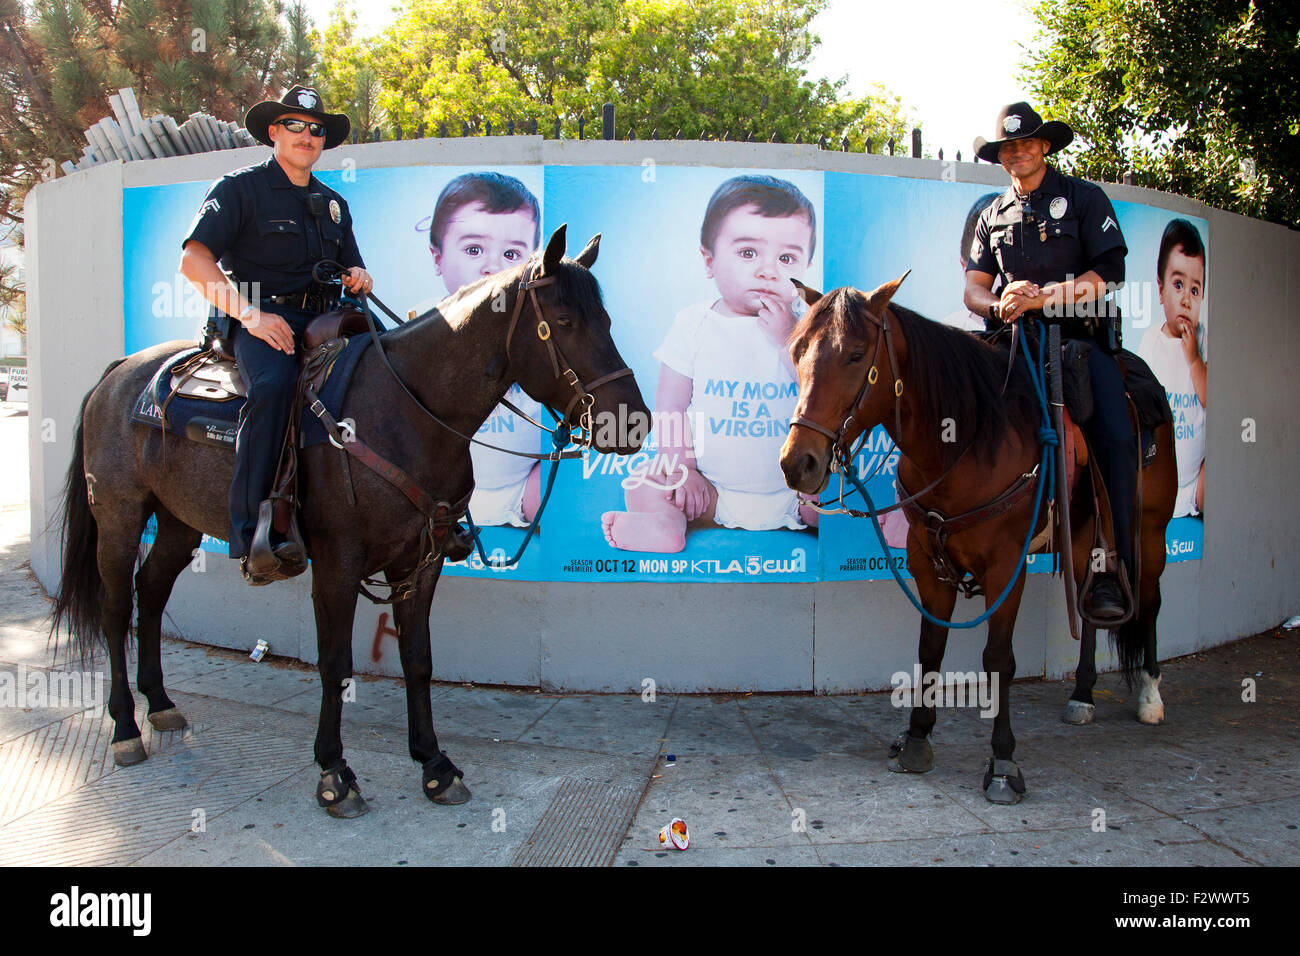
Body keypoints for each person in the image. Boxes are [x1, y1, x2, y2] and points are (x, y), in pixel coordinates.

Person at [178, 85, 373, 584]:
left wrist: (358, 275)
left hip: (327, 322)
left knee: (384, 377)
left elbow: (350, 262)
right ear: (273, 132)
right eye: (295, 126)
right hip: (261, 322)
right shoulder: (238, 189)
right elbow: (194, 261)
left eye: (316, 130)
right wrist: (251, 316)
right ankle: (250, 536)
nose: (307, 136)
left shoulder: (334, 204)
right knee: (274, 388)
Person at [963, 101, 1134, 621]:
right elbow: (973, 288)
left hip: (1079, 347)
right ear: (1001, 159)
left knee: (1115, 437)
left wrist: (1045, 297)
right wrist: (999, 303)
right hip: (1012, 348)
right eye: (1007, 148)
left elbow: (1110, 273)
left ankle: (1111, 564)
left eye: (1026, 143)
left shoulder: (1085, 199)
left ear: (1045, 146)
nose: (1018, 153)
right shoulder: (991, 214)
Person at [601, 174, 819, 553]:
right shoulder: (694, 324)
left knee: (839, 494)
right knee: (646, 482)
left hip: (796, 493)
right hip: (710, 494)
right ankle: (662, 527)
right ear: (709, 261)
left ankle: (866, 523)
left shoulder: (811, 324)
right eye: (749, 253)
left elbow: (819, 393)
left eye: (786, 258)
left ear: (806, 268)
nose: (768, 270)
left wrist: (789, 339)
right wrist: (684, 469)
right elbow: (671, 406)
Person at [423, 172, 544, 529]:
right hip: (438, 493)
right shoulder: (422, 329)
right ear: (437, 257)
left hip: (522, 485)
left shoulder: (539, 331)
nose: (493, 267)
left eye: (512, 253)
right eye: (474, 249)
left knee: (563, 485)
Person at [1138, 219, 1207, 519]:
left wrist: (1194, 360)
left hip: (1195, 482)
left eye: (1195, 290)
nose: (1186, 299)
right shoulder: (1151, 341)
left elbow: (1213, 402)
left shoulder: (1204, 339)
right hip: (1158, 478)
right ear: (1161, 288)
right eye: (1178, 285)